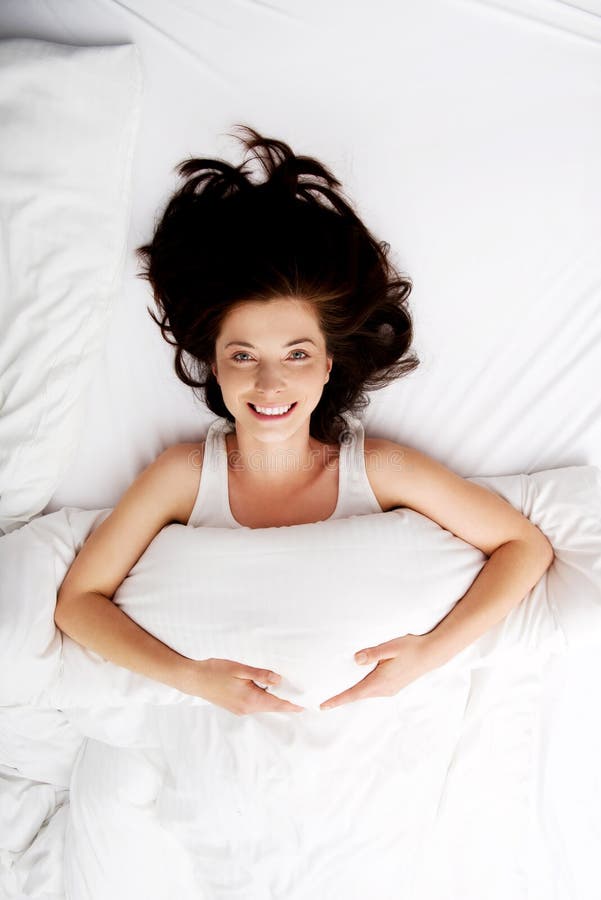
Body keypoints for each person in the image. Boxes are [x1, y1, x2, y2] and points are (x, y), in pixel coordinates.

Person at [54, 125, 554, 717]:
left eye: (297, 355)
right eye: (244, 356)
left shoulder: (379, 468)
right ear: (213, 365)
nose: (270, 385)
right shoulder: (181, 475)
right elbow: (78, 602)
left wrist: (428, 654)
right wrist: (191, 677)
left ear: (327, 366)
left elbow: (523, 545)